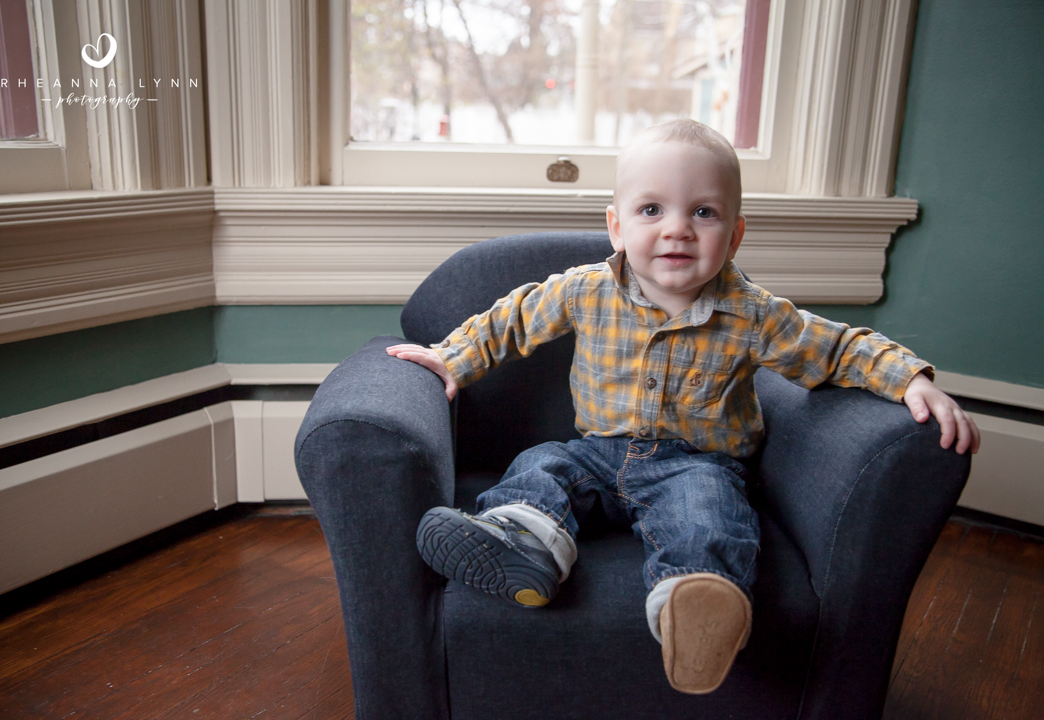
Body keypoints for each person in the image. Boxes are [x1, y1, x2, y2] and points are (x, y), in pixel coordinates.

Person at [386, 119, 980, 695]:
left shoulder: (753, 314)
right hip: (597, 453)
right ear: (617, 227)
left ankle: (693, 606)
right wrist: (452, 358)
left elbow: (837, 348)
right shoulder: (585, 289)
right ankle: (526, 542)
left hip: (696, 464)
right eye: (652, 210)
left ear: (735, 235)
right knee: (541, 464)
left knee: (707, 517)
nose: (678, 230)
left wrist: (909, 379)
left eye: (703, 212)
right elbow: (511, 321)